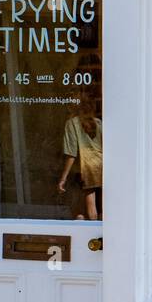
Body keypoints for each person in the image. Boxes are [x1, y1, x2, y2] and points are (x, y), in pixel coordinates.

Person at [58, 87, 103, 220]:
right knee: (102, 204)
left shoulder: (71, 123)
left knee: (90, 204)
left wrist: (63, 178)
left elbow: (71, 154)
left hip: (86, 167)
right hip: (101, 164)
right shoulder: (98, 122)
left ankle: (93, 234)